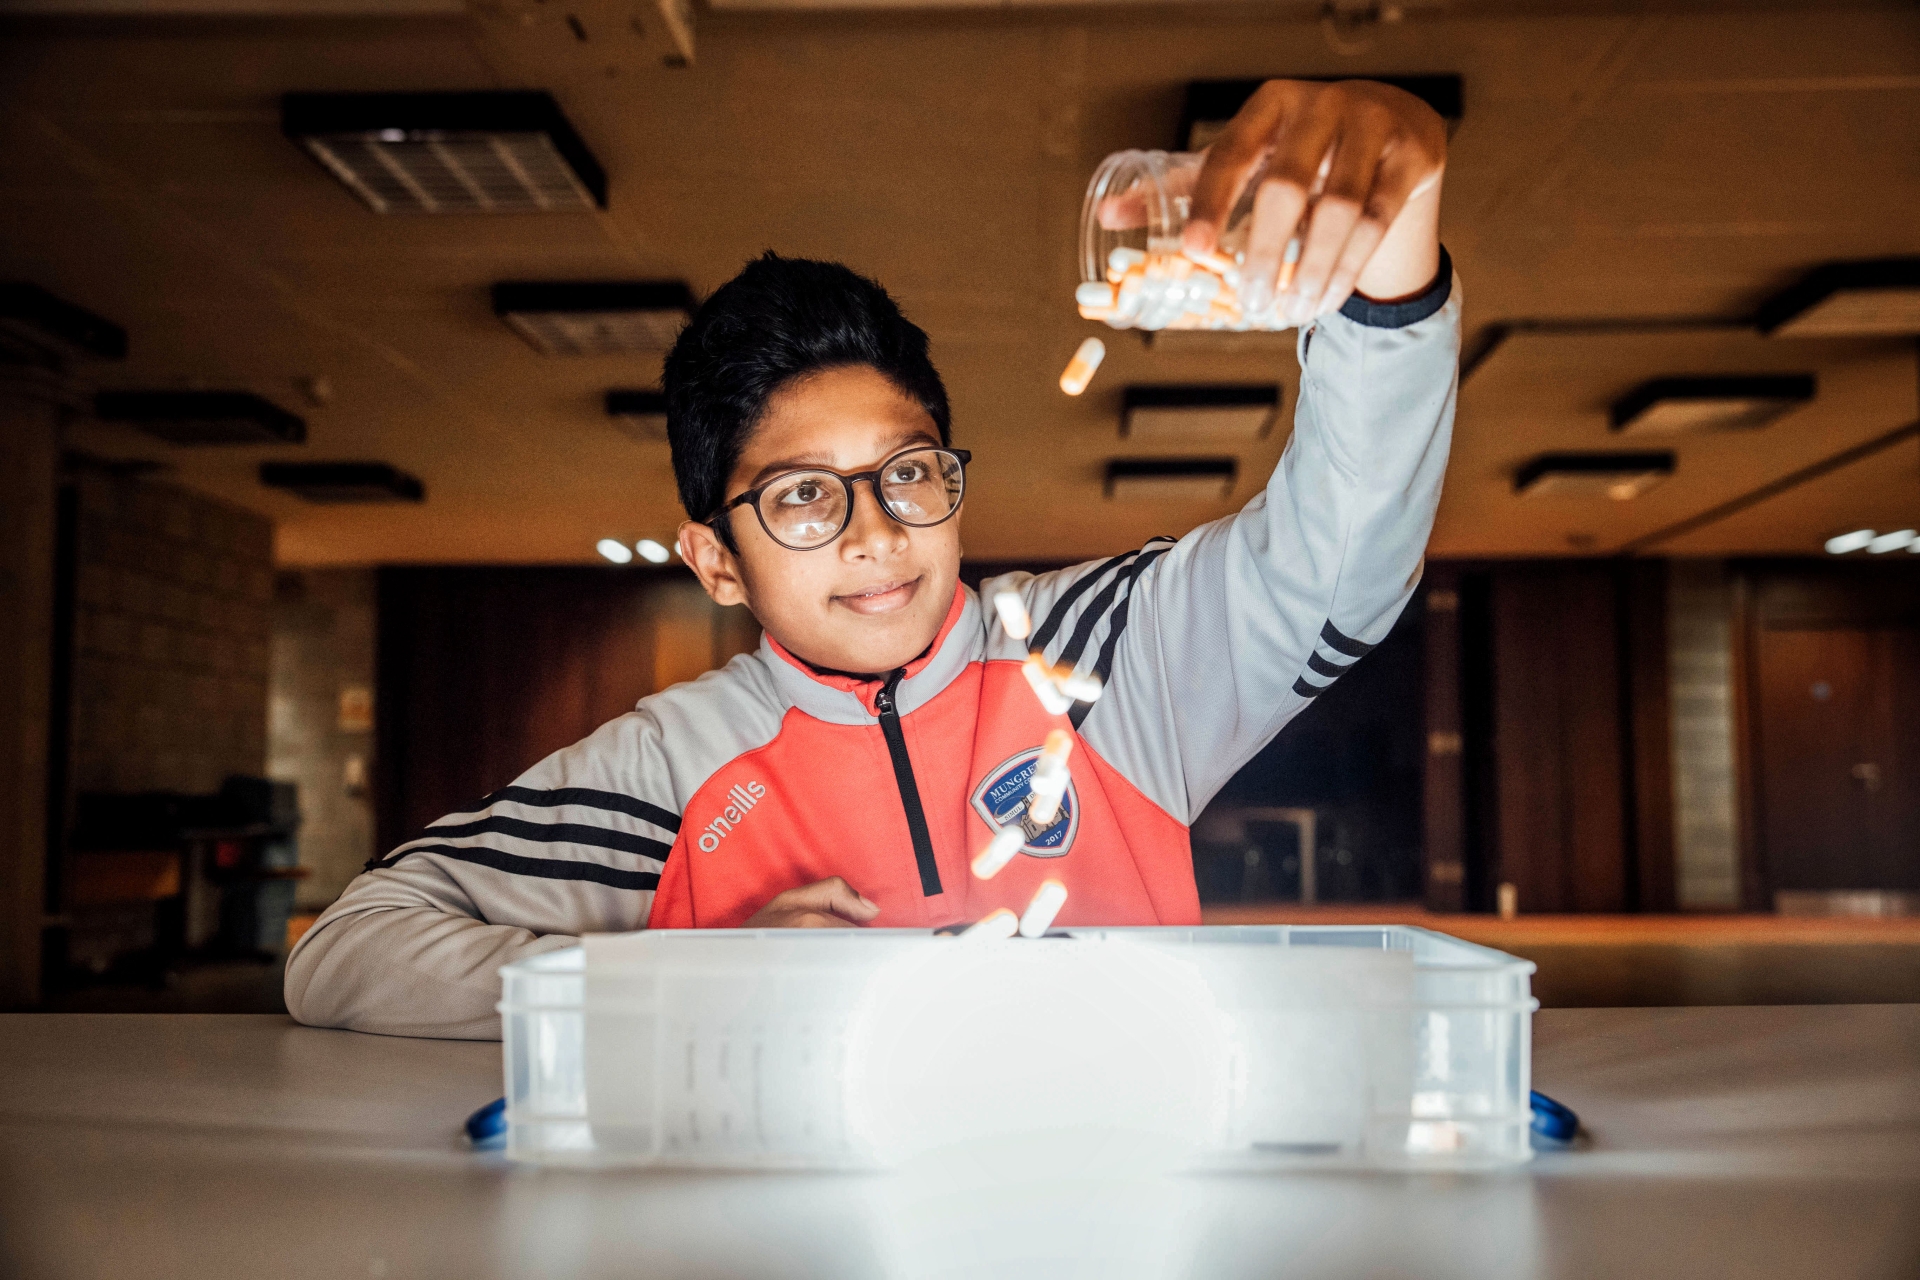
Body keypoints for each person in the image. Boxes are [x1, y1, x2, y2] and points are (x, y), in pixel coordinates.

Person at [286, 79, 1457, 1039]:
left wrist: (1395, 246)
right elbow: (348, 947)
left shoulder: (1101, 659)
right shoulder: (671, 767)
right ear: (716, 561)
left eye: (906, 471)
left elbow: (1344, 553)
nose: (876, 530)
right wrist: (676, 978)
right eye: (802, 496)